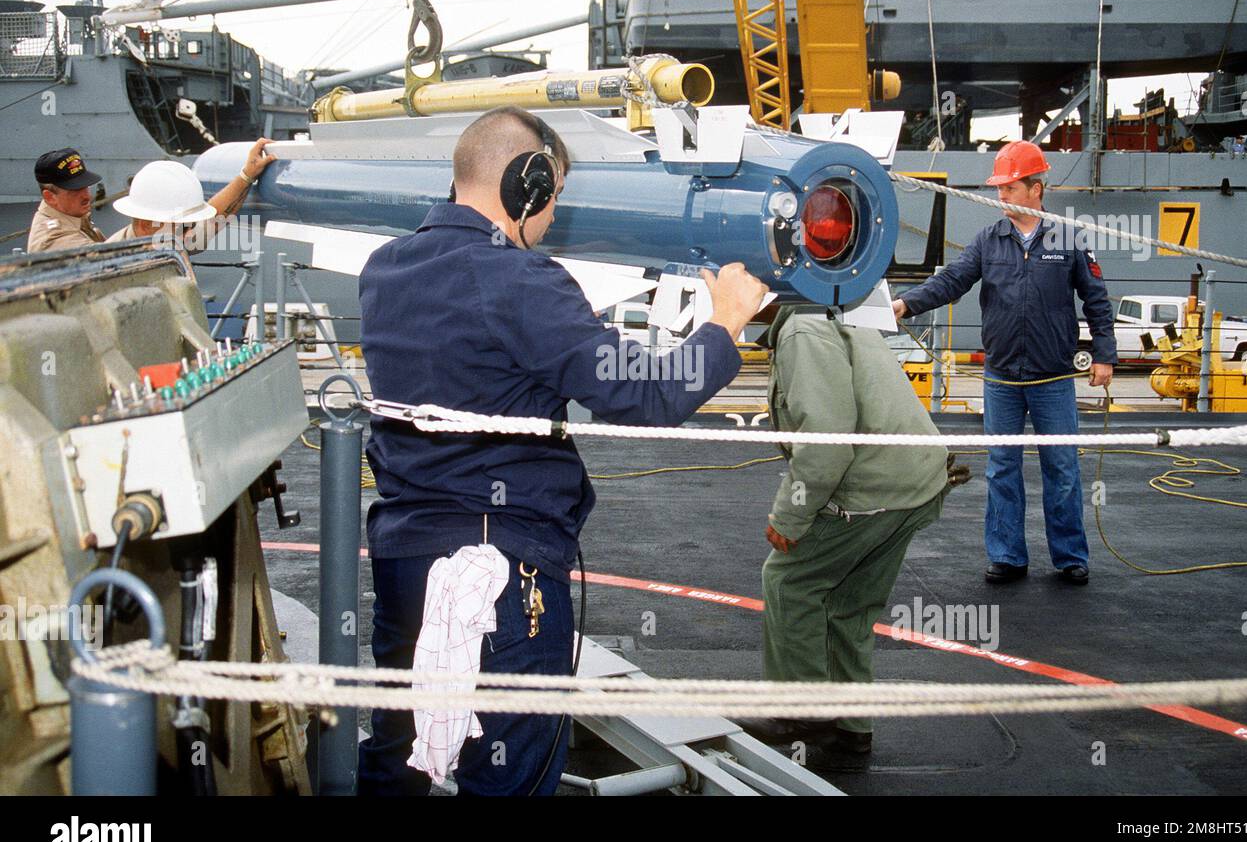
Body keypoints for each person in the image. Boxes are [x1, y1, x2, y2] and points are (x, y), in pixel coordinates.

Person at [356, 105, 769, 796]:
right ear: (530, 185)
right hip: (500, 579)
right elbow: (644, 395)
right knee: (509, 777)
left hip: (406, 561)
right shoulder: (520, 280)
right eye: (555, 196)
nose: (551, 217)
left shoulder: (384, 270)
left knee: (399, 759)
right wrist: (724, 324)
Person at [891, 140, 1116, 586]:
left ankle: (1070, 556)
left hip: (1053, 378)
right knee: (1002, 468)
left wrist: (1105, 355)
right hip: (1002, 379)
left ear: (1036, 188)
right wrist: (905, 305)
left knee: (1064, 469)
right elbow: (952, 281)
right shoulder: (987, 240)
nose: (1002, 196)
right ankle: (1008, 555)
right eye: (1000, 189)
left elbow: (1096, 301)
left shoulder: (1069, 240)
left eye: (1010, 188)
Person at [737, 306, 953, 766]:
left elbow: (827, 444)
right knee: (847, 605)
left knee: (789, 582)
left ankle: (800, 713)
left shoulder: (801, 330)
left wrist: (789, 518)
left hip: (874, 488)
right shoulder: (841, 312)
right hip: (916, 484)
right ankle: (850, 727)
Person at [107, 139, 277, 278]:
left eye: (191, 226)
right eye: (184, 227)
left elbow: (214, 220)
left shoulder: (162, 238)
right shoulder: (110, 272)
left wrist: (247, 175)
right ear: (146, 225)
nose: (190, 235)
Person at [26, 147, 107, 252]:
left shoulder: (75, 218)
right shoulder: (52, 239)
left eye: (86, 187)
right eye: (75, 191)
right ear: (50, 197)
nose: (87, 196)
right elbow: (102, 258)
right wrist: (134, 227)